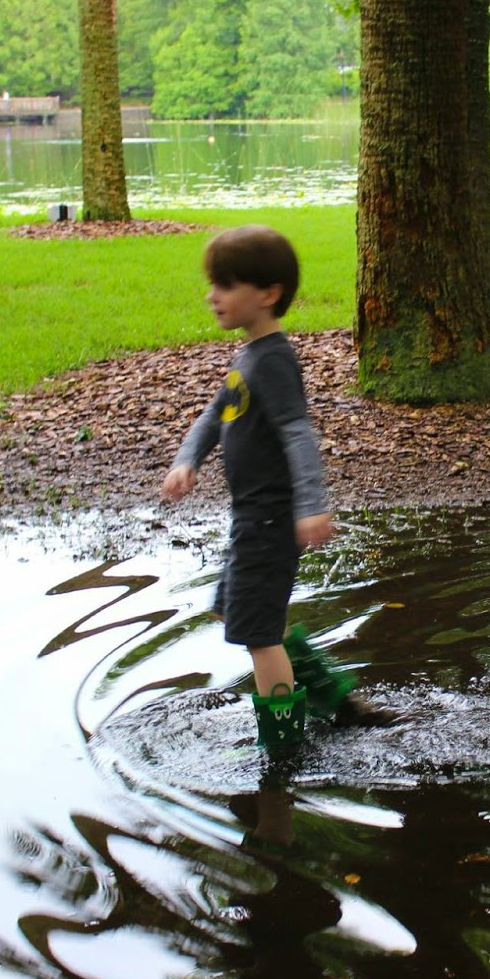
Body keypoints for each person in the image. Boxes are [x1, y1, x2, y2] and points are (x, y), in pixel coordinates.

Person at [162, 224, 388, 750]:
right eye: (213, 284)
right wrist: (187, 459)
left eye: (225, 285)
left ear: (267, 295)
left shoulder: (275, 360)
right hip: (251, 520)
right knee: (236, 610)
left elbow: (298, 434)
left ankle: (282, 748)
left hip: (269, 521)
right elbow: (216, 414)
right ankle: (336, 698)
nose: (212, 295)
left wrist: (310, 507)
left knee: (259, 636)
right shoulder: (249, 356)